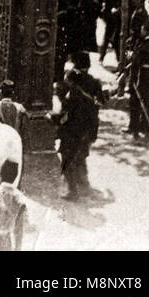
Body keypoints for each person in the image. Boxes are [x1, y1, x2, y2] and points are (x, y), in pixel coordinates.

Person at [54, 69, 98, 201]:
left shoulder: (70, 98)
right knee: (79, 159)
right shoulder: (86, 98)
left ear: (71, 82)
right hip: (83, 135)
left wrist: (54, 120)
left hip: (71, 134)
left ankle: (73, 192)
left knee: (66, 164)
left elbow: (66, 118)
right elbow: (94, 118)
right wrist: (92, 135)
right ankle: (82, 186)